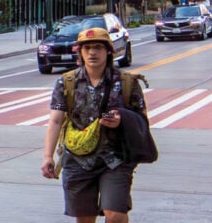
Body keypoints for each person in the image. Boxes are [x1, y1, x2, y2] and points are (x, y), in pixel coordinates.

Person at [41, 26, 148, 223]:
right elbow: (56, 120)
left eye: (98, 47)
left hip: (115, 158)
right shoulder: (67, 82)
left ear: (108, 50)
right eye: (87, 47)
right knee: (85, 218)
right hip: (78, 158)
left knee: (115, 214)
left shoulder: (126, 82)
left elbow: (142, 120)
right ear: (80, 51)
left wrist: (121, 119)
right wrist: (48, 156)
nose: (92, 52)